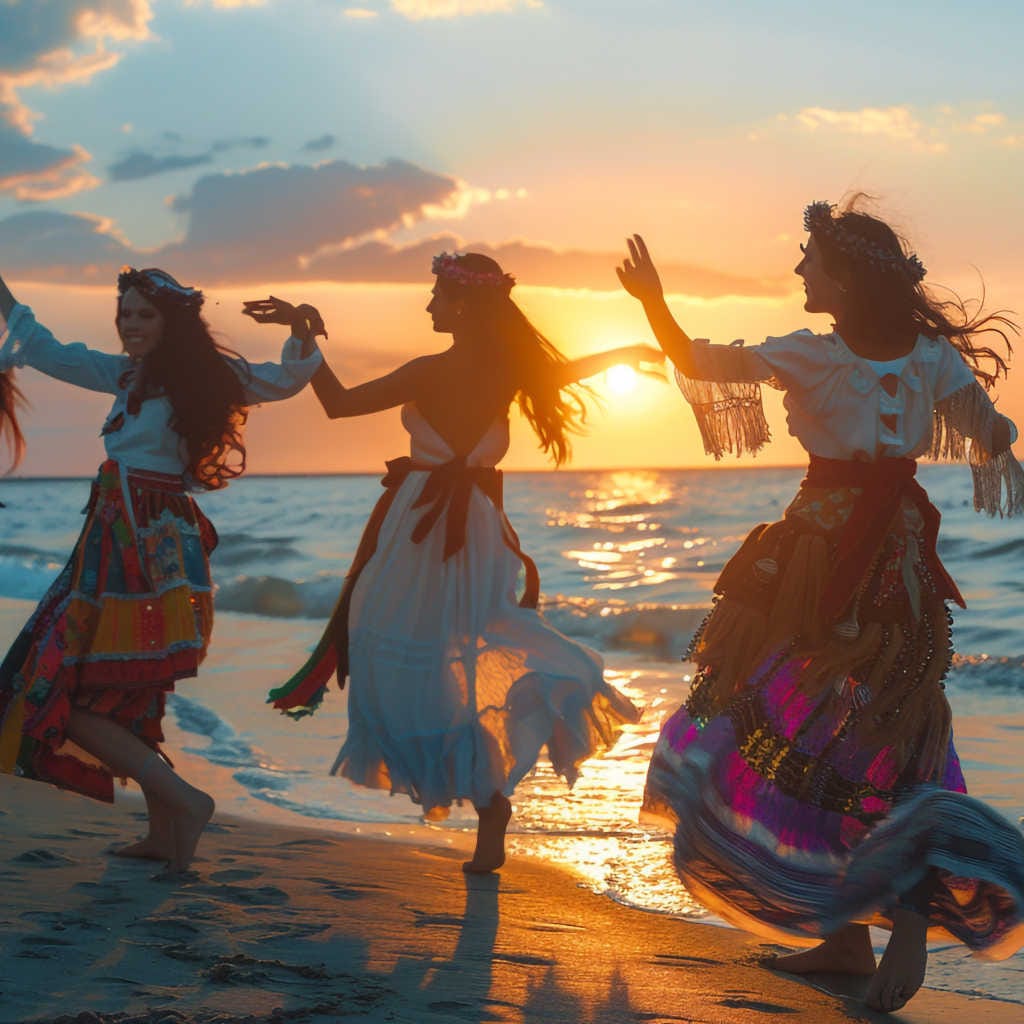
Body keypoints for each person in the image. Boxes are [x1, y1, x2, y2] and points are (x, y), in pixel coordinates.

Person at [618, 201, 1024, 1013]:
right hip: (900, 566)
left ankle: (890, 921)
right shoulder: (933, 359)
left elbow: (700, 360)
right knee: (894, 732)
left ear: (842, 279)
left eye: (810, 259)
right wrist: (957, 412)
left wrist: (651, 303)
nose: (800, 270)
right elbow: (993, 437)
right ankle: (853, 935)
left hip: (816, 560)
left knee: (774, 711)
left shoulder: (808, 355)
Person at [248, 251, 646, 873]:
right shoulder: (509, 368)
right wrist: (627, 354)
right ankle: (493, 800)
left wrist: (304, 336)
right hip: (476, 523)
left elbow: (339, 405)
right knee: (472, 644)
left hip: (421, 526)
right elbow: (570, 372)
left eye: (437, 295)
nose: (429, 305)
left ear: (464, 305)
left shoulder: (429, 370)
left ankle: (496, 778)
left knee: (412, 652)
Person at [0, 266, 323, 874]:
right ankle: (167, 831)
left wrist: (301, 335)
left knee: (66, 687)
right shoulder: (123, 375)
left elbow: (279, 381)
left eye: (143, 315)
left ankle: (185, 801)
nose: (129, 325)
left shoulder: (203, 377)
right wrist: (3, 295)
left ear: (170, 322)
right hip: (112, 540)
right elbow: (46, 350)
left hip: (147, 546)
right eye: (123, 314)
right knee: (119, 691)